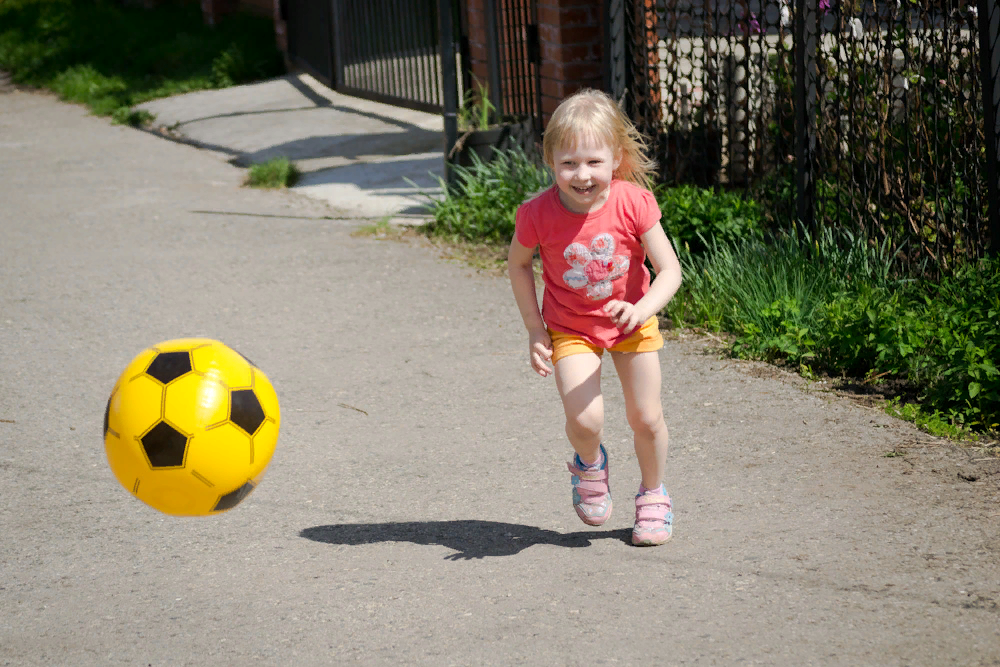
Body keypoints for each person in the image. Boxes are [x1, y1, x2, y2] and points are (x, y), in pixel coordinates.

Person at [507, 89, 683, 546]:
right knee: (585, 421)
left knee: (646, 417)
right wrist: (533, 328)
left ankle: (653, 494)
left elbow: (670, 271)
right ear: (550, 162)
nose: (581, 175)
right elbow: (518, 263)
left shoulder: (634, 203)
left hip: (632, 323)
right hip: (570, 327)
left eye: (592, 162)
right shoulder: (536, 214)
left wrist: (641, 309)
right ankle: (589, 463)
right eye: (568, 164)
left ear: (616, 158)